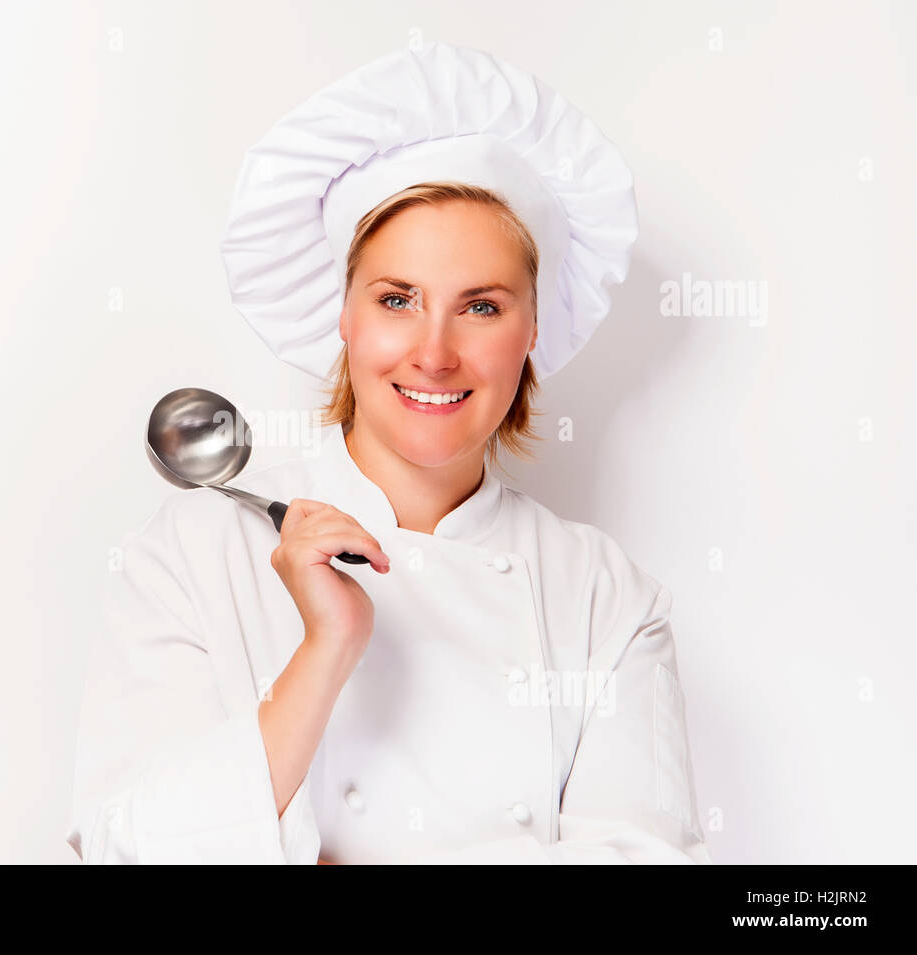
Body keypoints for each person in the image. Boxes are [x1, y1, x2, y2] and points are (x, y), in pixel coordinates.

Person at [65, 41, 711, 864]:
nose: (434, 354)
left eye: (480, 306)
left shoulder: (606, 597)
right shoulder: (197, 549)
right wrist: (326, 647)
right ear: (346, 314)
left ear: (533, 331)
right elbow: (126, 848)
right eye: (397, 298)